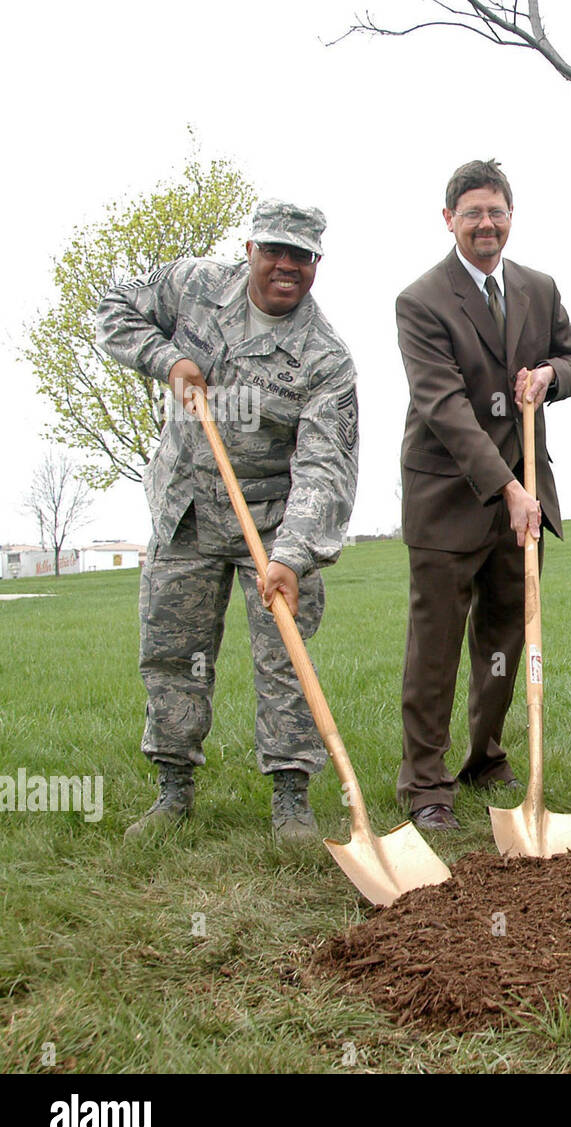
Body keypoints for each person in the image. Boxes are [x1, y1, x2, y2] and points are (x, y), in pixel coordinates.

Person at [96, 199, 359, 842]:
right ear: (250, 250)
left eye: (300, 256)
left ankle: (291, 803)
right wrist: (167, 361)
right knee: (172, 652)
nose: (285, 266)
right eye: (274, 251)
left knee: (285, 659)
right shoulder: (192, 288)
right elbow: (113, 309)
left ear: (316, 263)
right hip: (184, 508)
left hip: (271, 521)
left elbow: (325, 467)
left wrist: (291, 557)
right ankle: (173, 791)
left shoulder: (326, 360)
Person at [395, 159, 571, 832]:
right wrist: (507, 489)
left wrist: (549, 375)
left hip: (525, 497)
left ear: (512, 217)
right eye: (473, 212)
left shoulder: (539, 289)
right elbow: (445, 408)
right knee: (436, 646)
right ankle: (425, 784)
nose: (487, 223)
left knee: (506, 638)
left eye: (497, 211)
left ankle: (483, 757)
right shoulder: (421, 301)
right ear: (448, 218)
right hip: (450, 497)